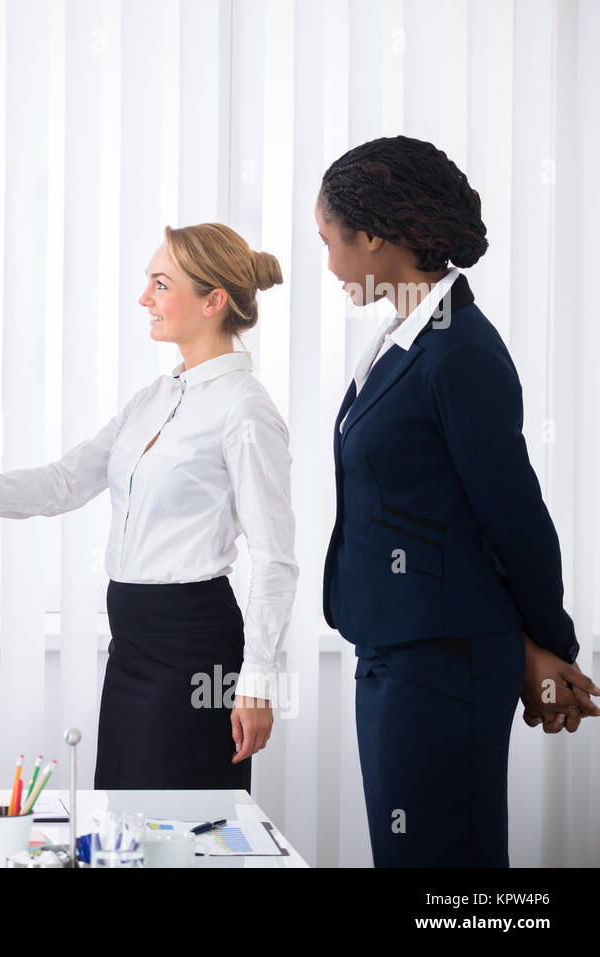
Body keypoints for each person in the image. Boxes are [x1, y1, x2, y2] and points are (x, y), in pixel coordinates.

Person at [0, 224, 297, 790]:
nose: (144, 299)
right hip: (132, 642)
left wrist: (257, 681)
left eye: (161, 284)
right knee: (122, 820)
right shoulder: (156, 397)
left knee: (182, 829)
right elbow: (63, 482)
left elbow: (276, 556)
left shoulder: (245, 409)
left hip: (193, 647)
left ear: (214, 301)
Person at [316, 135, 600, 867]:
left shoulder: (460, 349)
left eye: (330, 241)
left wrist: (549, 647)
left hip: (442, 660)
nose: (328, 265)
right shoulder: (403, 335)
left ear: (374, 236)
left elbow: (513, 516)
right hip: (395, 649)